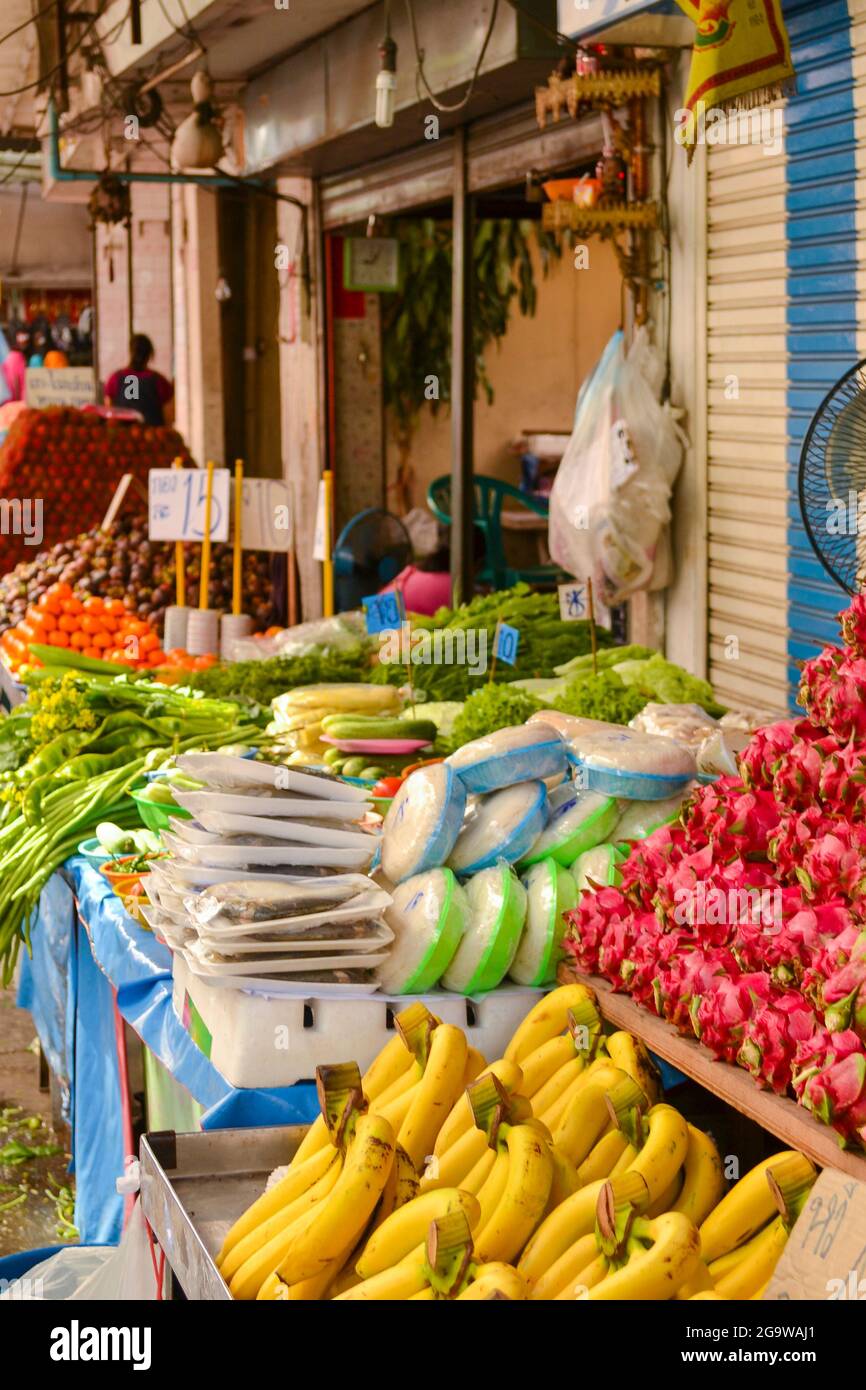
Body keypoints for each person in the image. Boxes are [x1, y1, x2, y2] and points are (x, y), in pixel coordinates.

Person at [104, 333, 174, 426]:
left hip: (122, 437)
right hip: (152, 436)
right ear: (150, 355)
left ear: (130, 352)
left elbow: (109, 413)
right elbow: (169, 417)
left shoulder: (115, 378)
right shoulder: (159, 381)